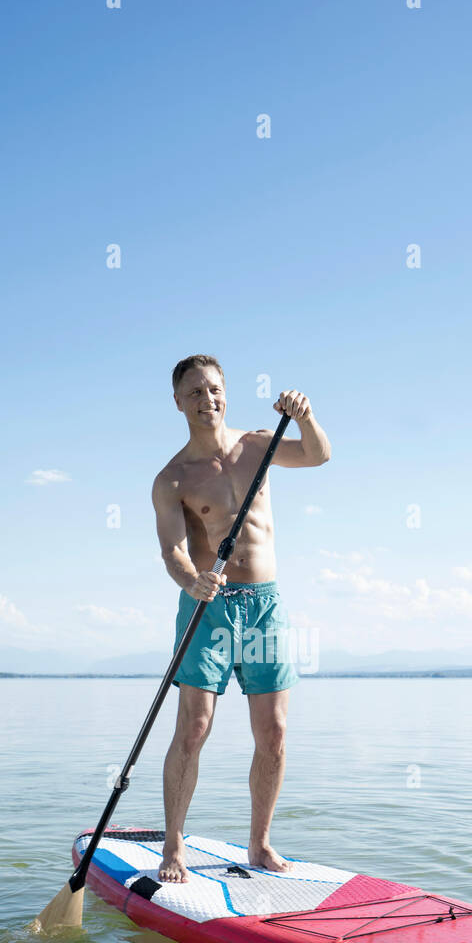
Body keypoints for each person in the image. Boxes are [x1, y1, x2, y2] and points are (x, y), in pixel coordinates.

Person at [151, 354, 330, 883]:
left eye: (214, 389)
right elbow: (172, 551)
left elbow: (318, 456)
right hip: (206, 609)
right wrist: (191, 580)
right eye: (196, 393)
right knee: (194, 728)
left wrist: (305, 415)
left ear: (225, 392)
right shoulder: (172, 479)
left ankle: (260, 843)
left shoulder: (258, 446)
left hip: (265, 606)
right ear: (179, 403)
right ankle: (173, 846)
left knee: (273, 733)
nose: (208, 400)